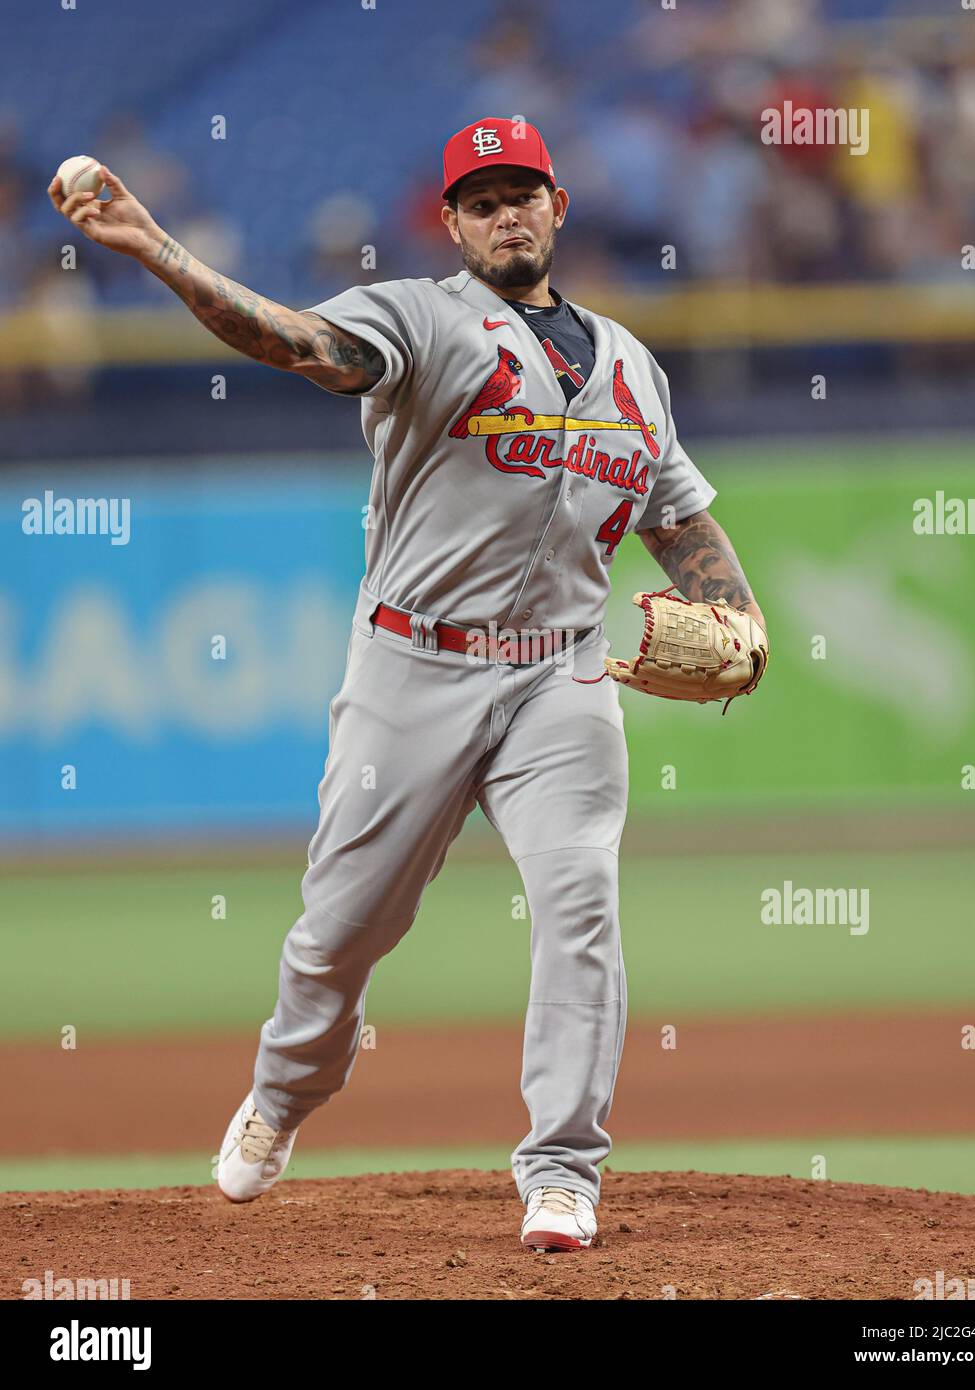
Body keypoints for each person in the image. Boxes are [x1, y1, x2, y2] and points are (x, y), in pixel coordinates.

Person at [49, 117, 767, 1253]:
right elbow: (295, 342)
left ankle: (563, 1170)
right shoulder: (417, 318)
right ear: (453, 224)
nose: (505, 214)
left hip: (562, 677)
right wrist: (155, 249)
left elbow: (676, 514)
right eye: (480, 201)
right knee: (343, 931)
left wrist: (739, 607)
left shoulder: (632, 365)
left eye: (521, 192)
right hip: (413, 666)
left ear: (558, 205)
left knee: (578, 901)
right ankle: (282, 1097)